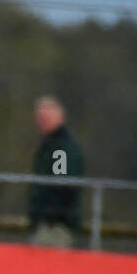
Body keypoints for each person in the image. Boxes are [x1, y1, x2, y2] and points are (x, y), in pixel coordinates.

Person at [27, 96, 85, 249]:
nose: (41, 121)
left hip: (55, 226)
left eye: (45, 117)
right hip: (49, 222)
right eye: (39, 117)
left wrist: (50, 215)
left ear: (59, 116)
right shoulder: (52, 146)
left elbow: (62, 183)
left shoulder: (60, 149)